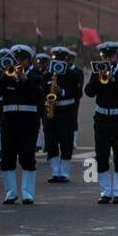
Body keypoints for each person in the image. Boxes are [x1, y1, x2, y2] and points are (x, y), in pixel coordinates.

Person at [0, 44, 43, 204]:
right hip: (9, 119)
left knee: (28, 157)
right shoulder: (6, 75)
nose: (19, 62)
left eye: (23, 59)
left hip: (29, 119)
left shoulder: (36, 76)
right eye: (17, 59)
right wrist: (4, 76)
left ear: (29, 60)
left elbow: (39, 96)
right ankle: (11, 192)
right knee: (7, 157)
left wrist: (25, 80)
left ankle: (27, 193)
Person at [85, 42, 118, 204]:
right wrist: (99, 79)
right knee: (101, 155)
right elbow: (89, 92)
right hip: (102, 118)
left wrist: (112, 79)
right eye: (104, 57)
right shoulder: (98, 72)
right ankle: (106, 191)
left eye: (110, 56)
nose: (107, 59)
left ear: (117, 57)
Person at [44, 46, 83, 184]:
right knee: (51, 141)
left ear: (66, 60)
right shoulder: (47, 74)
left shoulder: (73, 75)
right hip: (51, 111)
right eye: (56, 58)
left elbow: (79, 94)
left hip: (66, 111)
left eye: (61, 59)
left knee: (66, 142)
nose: (58, 61)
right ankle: (55, 172)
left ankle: (65, 172)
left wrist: (63, 92)